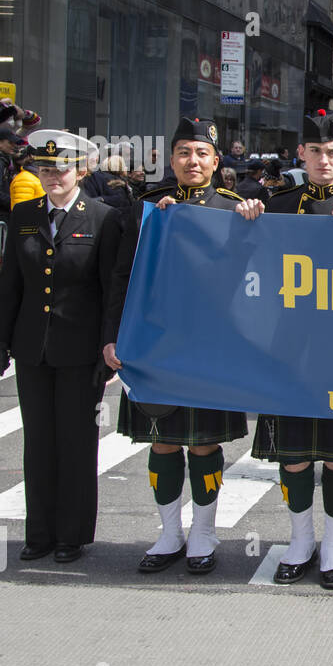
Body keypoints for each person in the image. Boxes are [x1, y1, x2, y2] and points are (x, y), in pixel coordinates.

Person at [102, 117, 258, 577]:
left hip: (212, 347)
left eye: (202, 154)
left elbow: (258, 278)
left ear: (216, 161)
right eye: (184, 153)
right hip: (156, 344)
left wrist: (253, 225)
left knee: (205, 443)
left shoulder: (238, 209)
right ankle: (170, 533)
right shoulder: (147, 208)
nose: (193, 161)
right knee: (163, 441)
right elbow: (120, 277)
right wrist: (112, 335)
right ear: (171, 160)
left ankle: (204, 534)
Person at [251, 113, 333, 589]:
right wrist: (247, 221)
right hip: (289, 349)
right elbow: (248, 265)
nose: (326, 160)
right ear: (302, 155)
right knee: (292, 455)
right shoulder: (278, 204)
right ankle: (300, 540)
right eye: (317, 152)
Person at [0, 130, 124, 563]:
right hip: (33, 348)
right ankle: (40, 532)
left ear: (80, 171)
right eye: (45, 169)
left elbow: (108, 290)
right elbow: (12, 281)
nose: (52, 177)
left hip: (80, 350)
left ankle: (71, 534)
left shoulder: (102, 217)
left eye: (61, 169)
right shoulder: (24, 214)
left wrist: (109, 344)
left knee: (76, 441)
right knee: (39, 442)